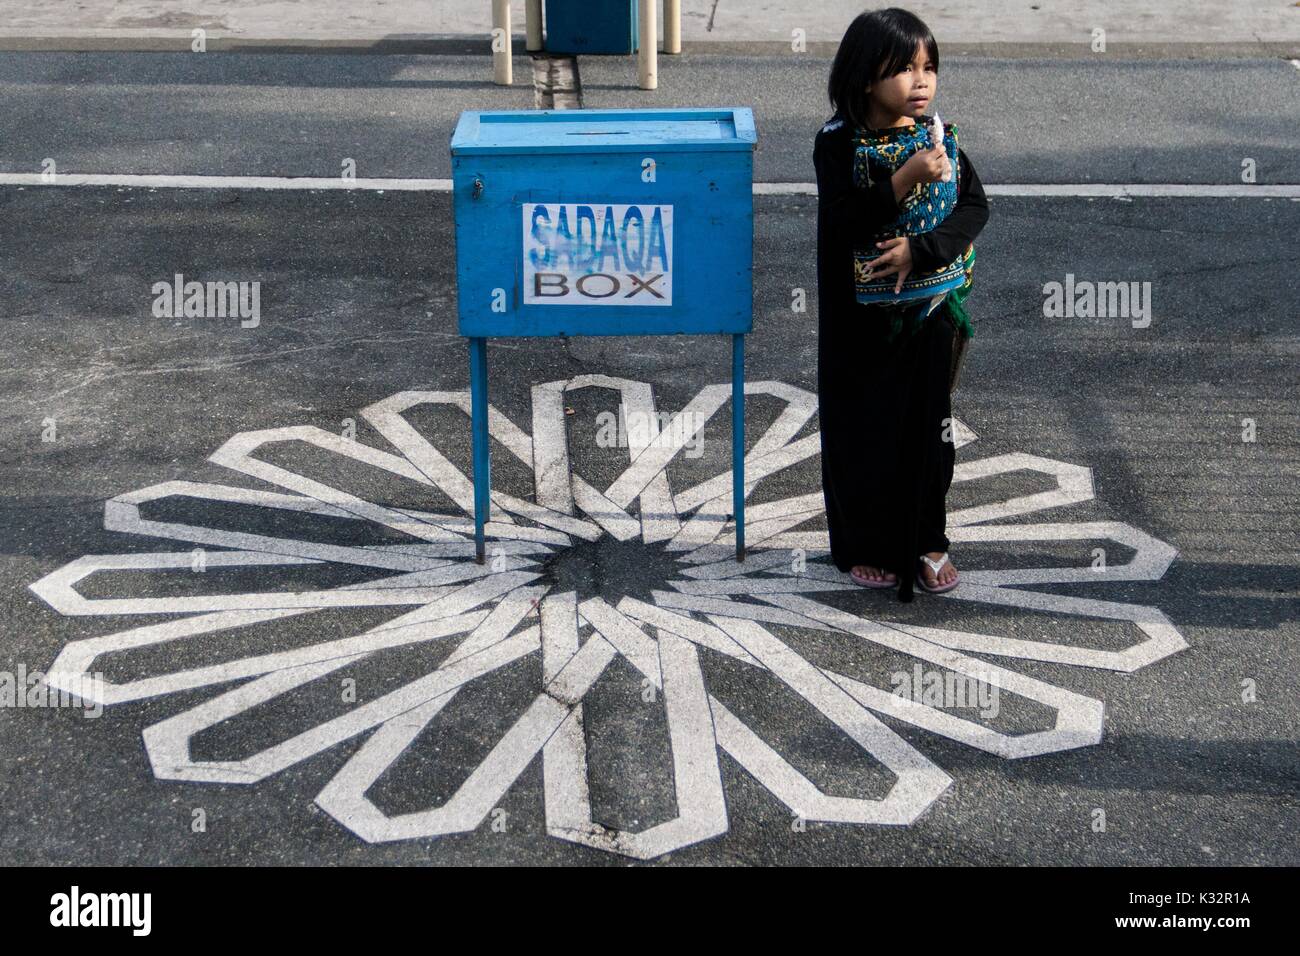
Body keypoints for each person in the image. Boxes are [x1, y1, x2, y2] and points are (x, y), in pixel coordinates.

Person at [814, 7, 990, 602]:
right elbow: (841, 222)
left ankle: (928, 539)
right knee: (865, 429)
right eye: (905, 70)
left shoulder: (938, 136)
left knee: (929, 431)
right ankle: (867, 543)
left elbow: (973, 208)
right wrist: (902, 180)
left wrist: (923, 250)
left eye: (930, 68)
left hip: (929, 312)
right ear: (865, 77)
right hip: (860, 324)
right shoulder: (837, 144)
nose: (922, 82)